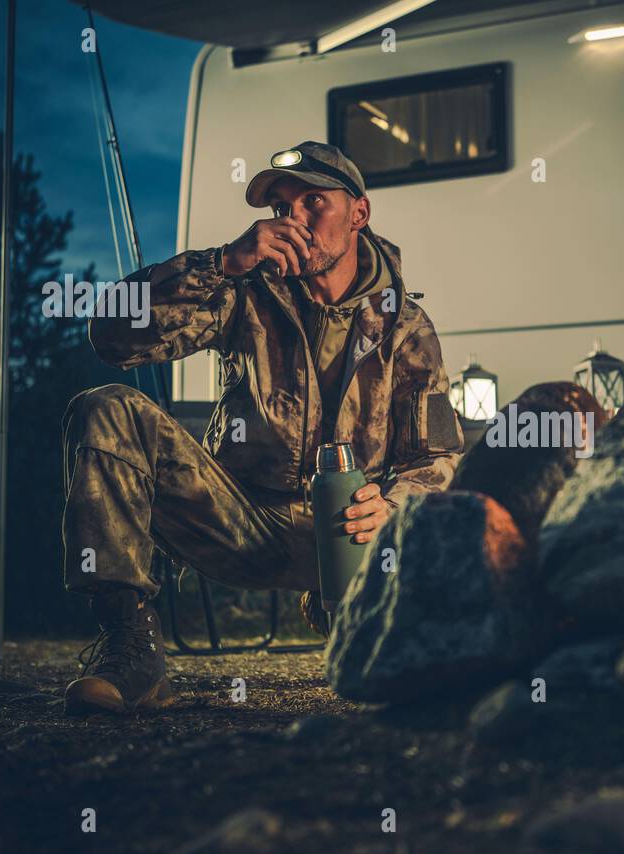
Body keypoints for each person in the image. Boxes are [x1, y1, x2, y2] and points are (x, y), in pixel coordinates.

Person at [60, 141, 464, 716]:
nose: (292, 219)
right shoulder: (243, 293)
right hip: (238, 518)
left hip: (345, 537)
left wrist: (393, 507)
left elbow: (436, 457)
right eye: (280, 207)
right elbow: (114, 340)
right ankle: (131, 649)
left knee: (416, 661)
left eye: (312, 202)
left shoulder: (405, 325)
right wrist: (219, 264)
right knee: (107, 408)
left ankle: (345, 612)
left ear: (359, 213)